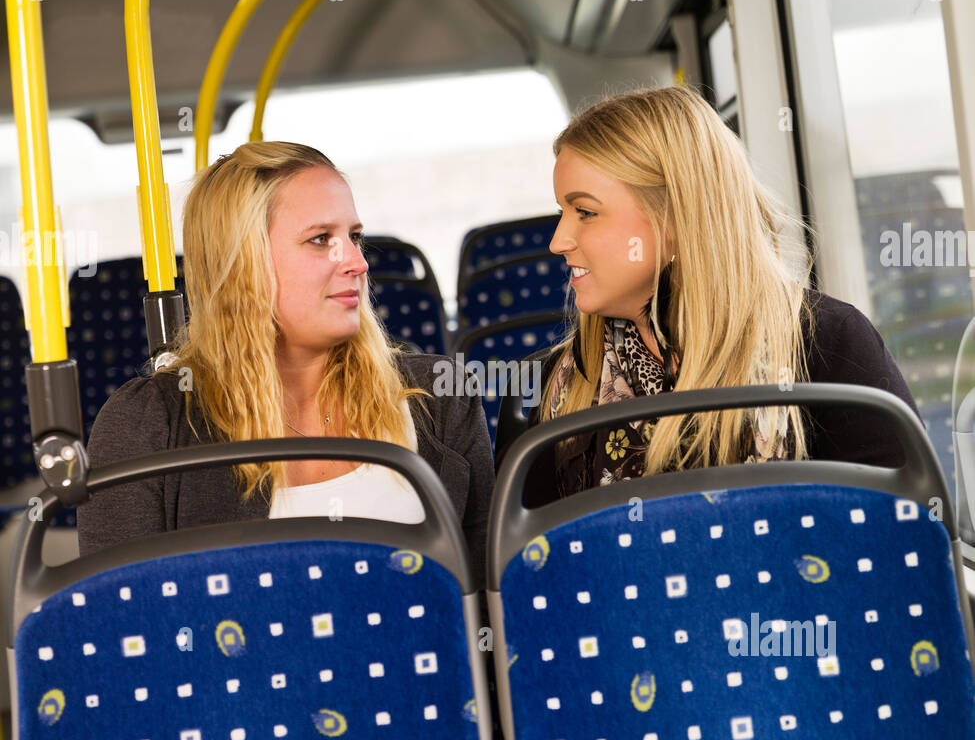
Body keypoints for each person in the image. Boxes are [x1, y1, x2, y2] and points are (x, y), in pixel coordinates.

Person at [77, 141, 494, 584]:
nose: (357, 262)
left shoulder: (439, 398)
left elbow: (487, 605)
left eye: (354, 237)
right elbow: (121, 632)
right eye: (320, 240)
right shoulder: (150, 427)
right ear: (243, 264)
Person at [510, 86, 920, 506]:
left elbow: (902, 543)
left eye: (585, 212)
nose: (558, 241)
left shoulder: (826, 345)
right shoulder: (562, 384)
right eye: (563, 212)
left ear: (671, 215)